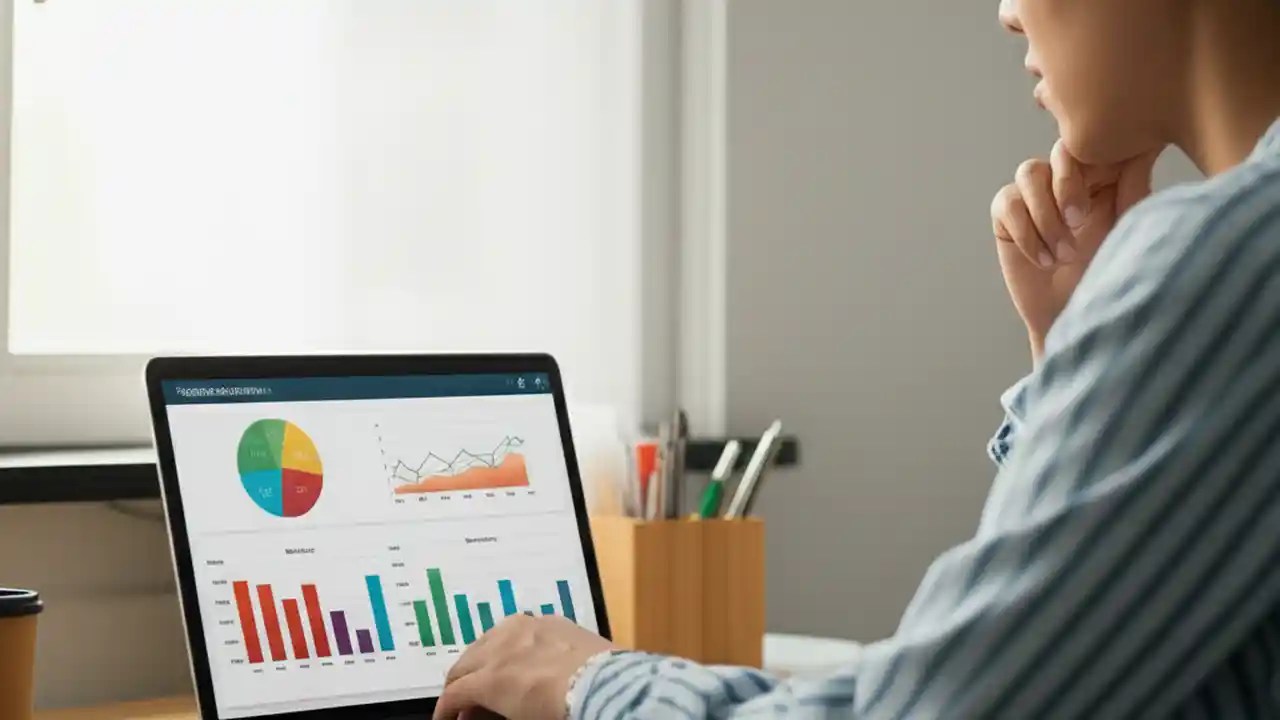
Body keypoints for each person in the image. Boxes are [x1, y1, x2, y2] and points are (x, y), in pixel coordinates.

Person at [435, 0, 1280, 716]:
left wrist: (587, 683)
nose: (1007, 13)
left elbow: (929, 710)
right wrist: (1082, 351)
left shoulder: (1231, 258)